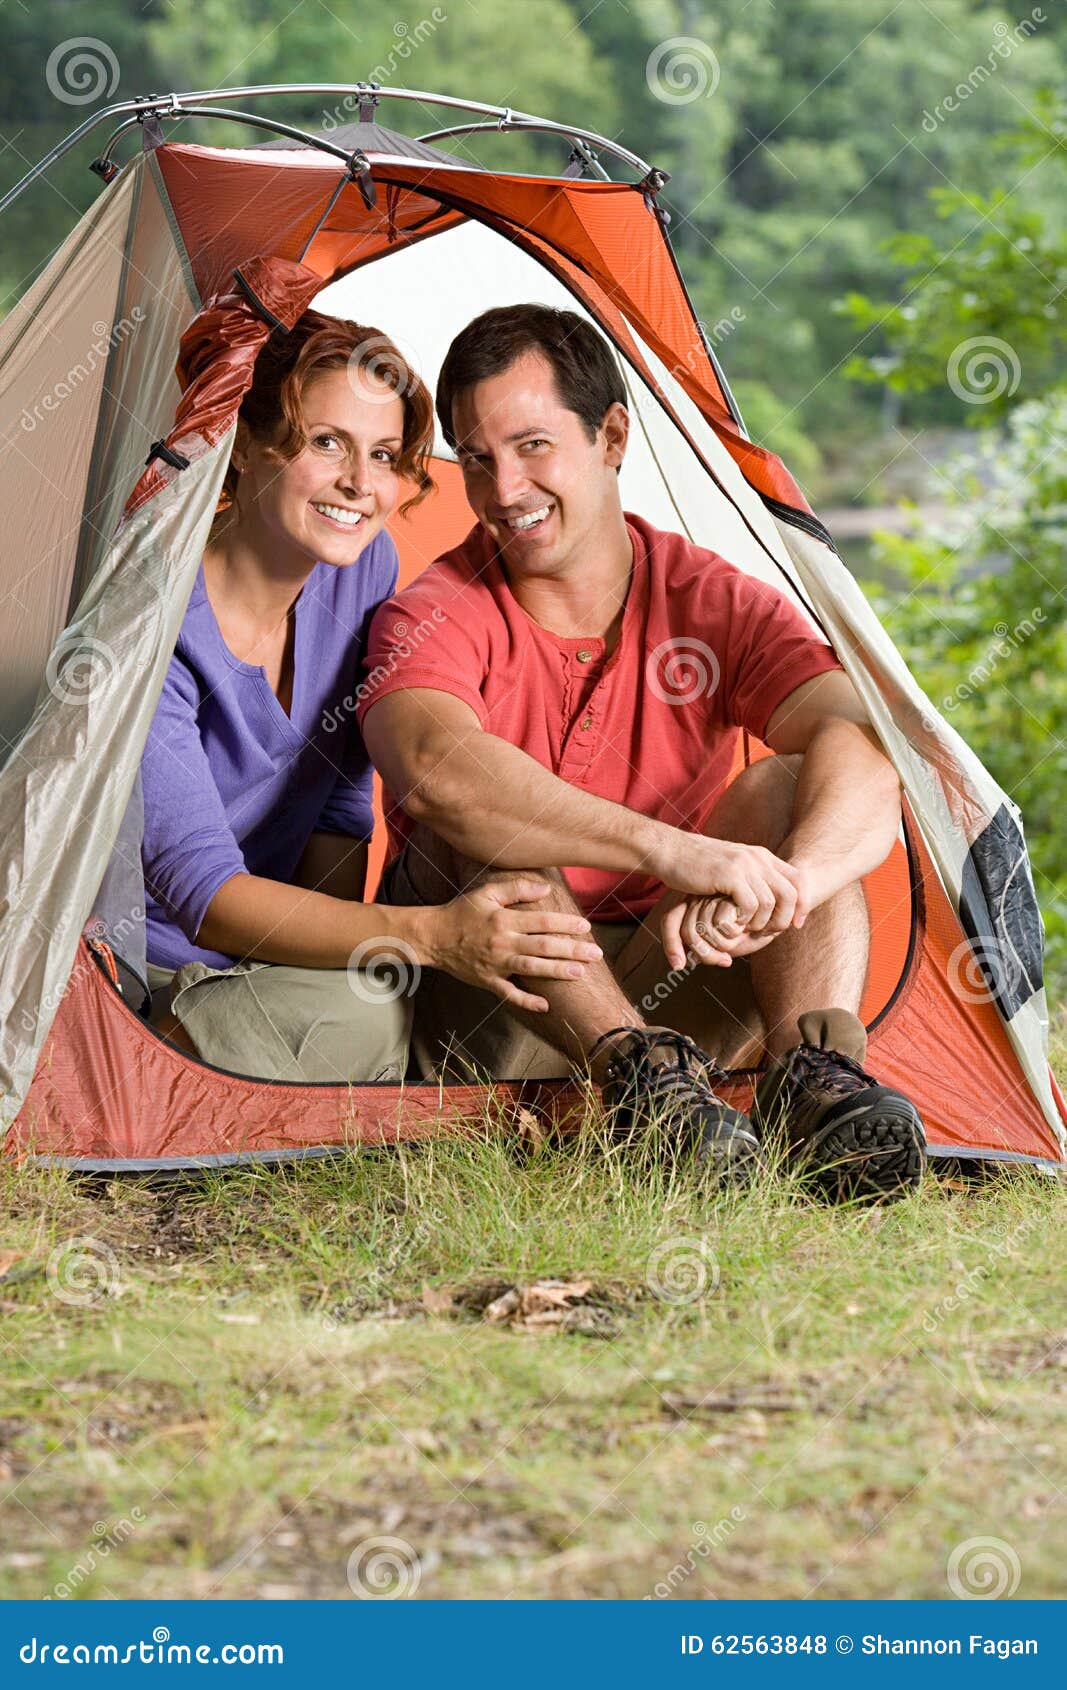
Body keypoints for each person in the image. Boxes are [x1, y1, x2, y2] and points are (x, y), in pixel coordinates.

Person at [357, 304, 926, 1197]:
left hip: (677, 992)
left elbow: (861, 738)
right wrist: (678, 851)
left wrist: (790, 884)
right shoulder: (433, 610)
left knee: (792, 785)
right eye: (476, 458)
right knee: (482, 812)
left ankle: (812, 1085)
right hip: (499, 1001)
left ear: (612, 434)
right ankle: (633, 1086)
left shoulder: (710, 600)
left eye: (533, 445)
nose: (504, 487)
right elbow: (434, 767)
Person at [140, 310, 602, 1083]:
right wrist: (426, 936)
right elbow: (204, 895)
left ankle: (230, 1053)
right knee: (378, 1011)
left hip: (269, 960)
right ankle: (150, 1051)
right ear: (247, 449)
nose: (361, 484)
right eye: (326, 443)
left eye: (383, 454)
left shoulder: (360, 570)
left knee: (375, 1007)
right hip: (139, 959)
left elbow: (341, 806)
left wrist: (337, 967)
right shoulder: (158, 619)